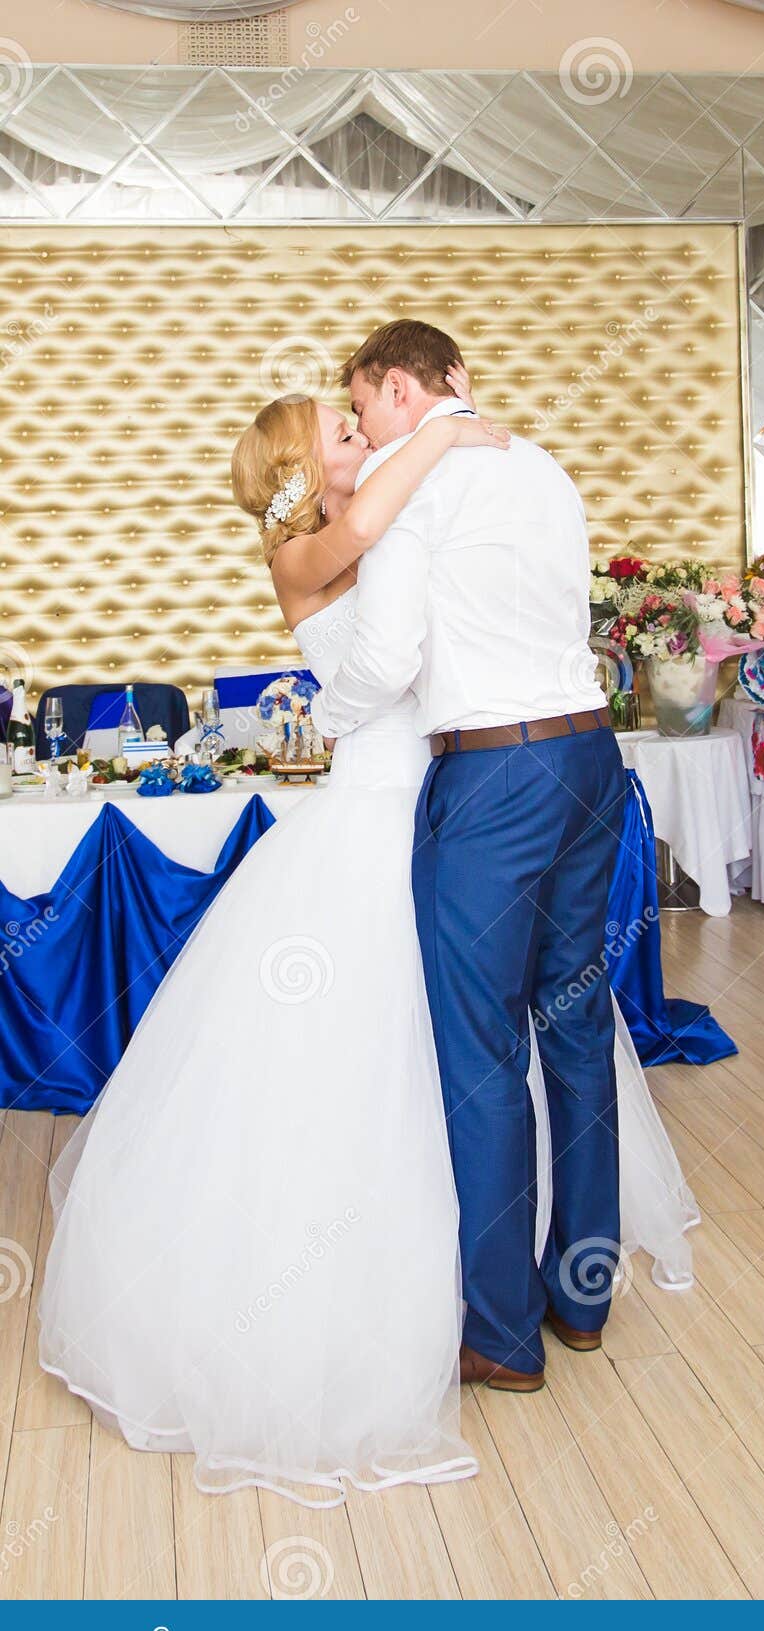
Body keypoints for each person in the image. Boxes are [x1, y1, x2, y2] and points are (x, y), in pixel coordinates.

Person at [37, 332, 695, 1509]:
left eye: (361, 415)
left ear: (394, 390)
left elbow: (396, 642)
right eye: (341, 430)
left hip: (461, 795)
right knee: (518, 1032)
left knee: (473, 1046)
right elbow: (384, 650)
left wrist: (426, 445)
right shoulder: (390, 512)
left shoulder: (414, 490)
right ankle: (555, 1291)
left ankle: (503, 1318)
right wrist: (441, 428)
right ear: (307, 467)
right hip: (509, 778)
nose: (360, 435)